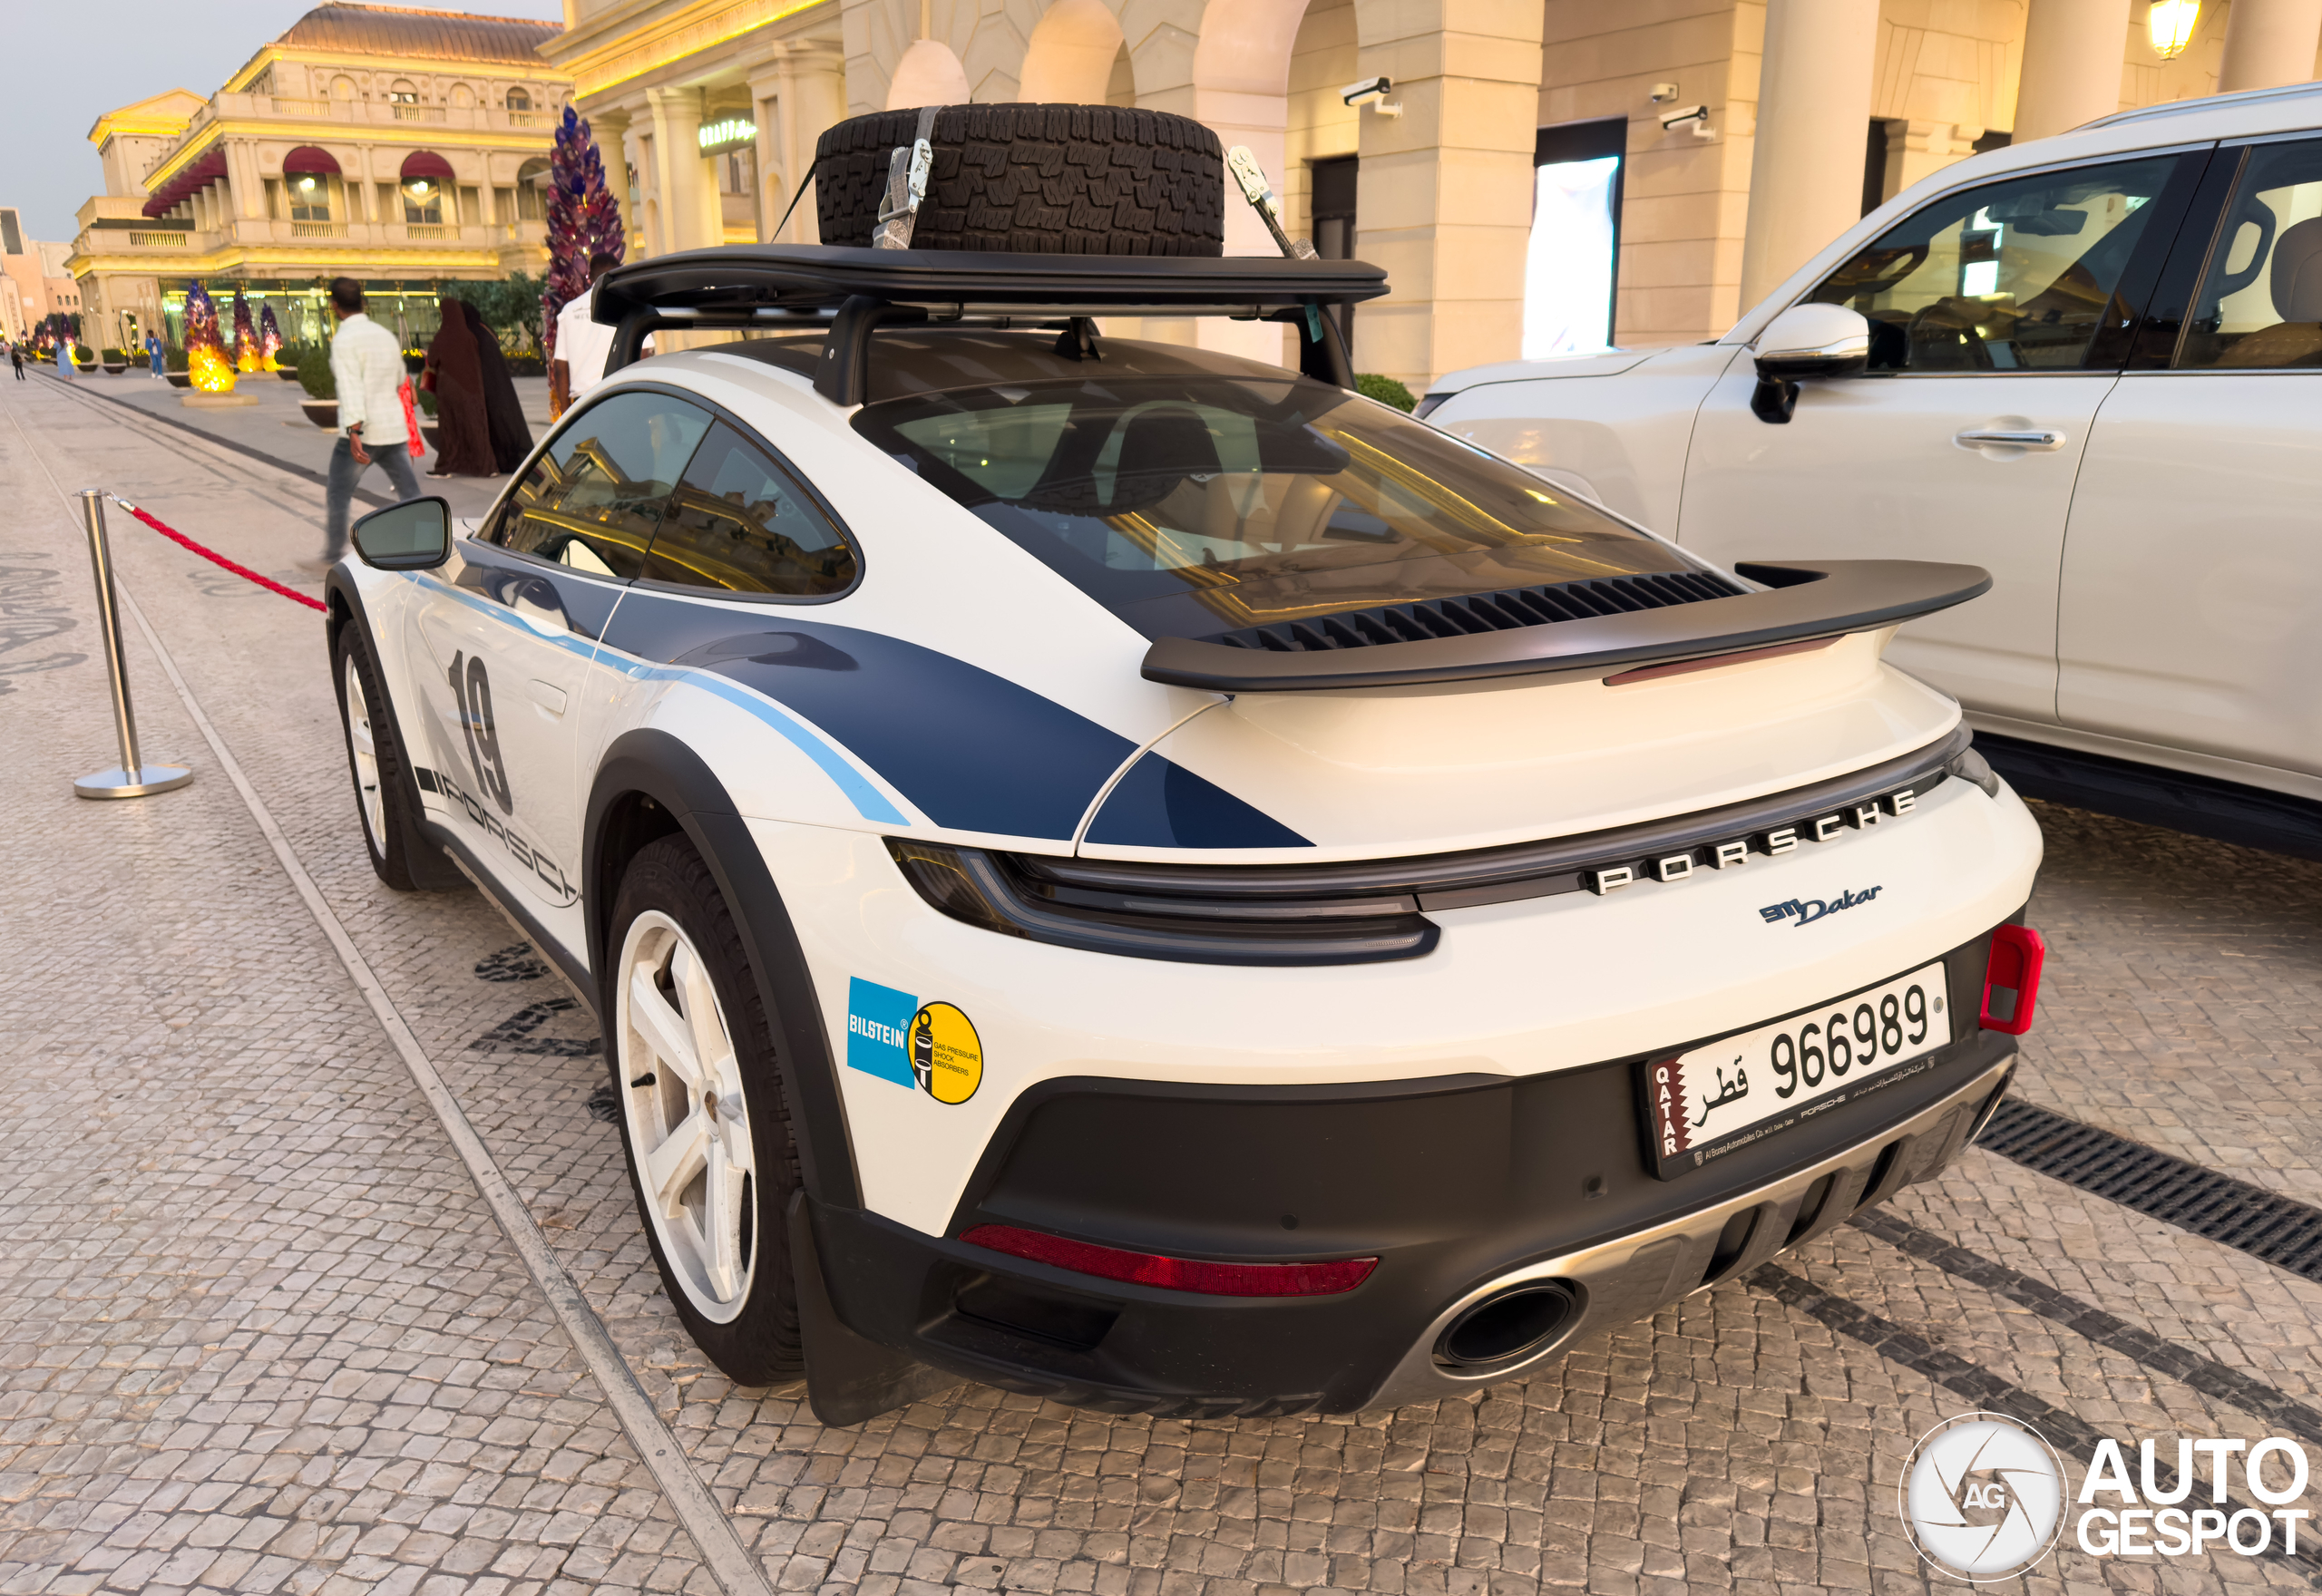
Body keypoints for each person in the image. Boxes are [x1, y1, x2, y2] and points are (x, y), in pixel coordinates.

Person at [316, 277, 418, 570]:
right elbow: (399, 378)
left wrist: (354, 431)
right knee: (410, 494)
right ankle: (427, 545)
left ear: (334, 305)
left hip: (364, 432)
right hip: (392, 428)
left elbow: (350, 388)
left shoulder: (344, 340)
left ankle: (332, 555)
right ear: (362, 302)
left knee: (338, 492)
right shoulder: (384, 334)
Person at [422, 294, 493, 478]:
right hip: (472, 388)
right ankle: (485, 467)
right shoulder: (469, 336)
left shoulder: (442, 336)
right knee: (475, 426)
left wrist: (427, 355)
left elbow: (433, 360)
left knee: (450, 429)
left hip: (449, 388)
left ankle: (446, 466)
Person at [550, 251, 625, 414]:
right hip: (617, 395)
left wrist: (566, 414)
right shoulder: (626, 306)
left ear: (589, 277)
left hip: (583, 403)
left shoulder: (570, 310)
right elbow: (643, 353)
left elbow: (560, 367)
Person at [462, 300, 532, 473]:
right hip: (500, 384)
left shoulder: (474, 333)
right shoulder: (484, 328)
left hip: (489, 385)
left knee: (497, 424)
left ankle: (503, 460)